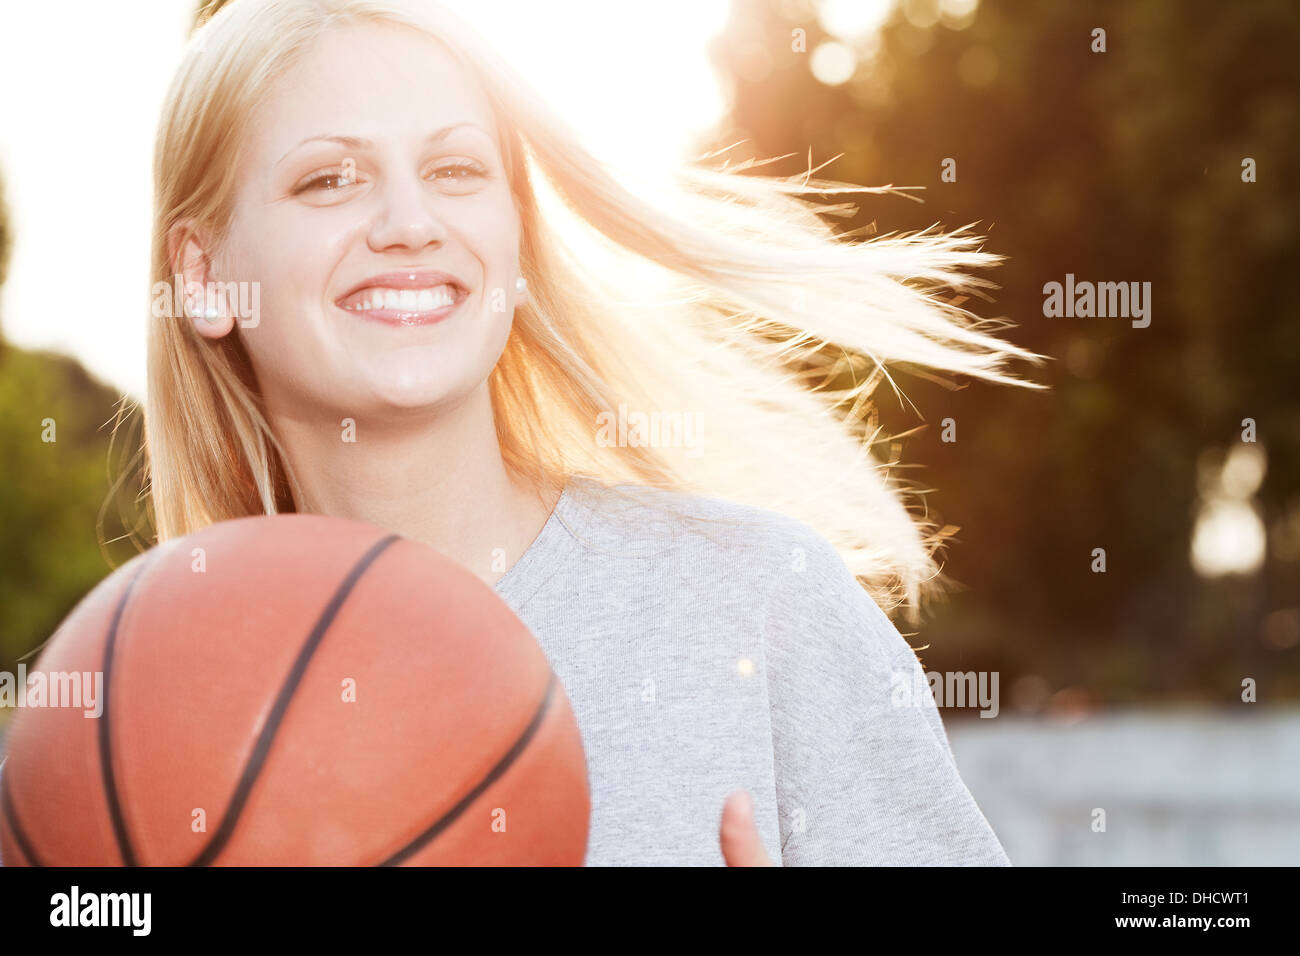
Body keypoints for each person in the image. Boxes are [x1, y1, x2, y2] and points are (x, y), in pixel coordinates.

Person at [3, 0, 1044, 866]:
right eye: (329, 177)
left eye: (456, 170)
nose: (409, 221)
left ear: (513, 233)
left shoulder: (756, 604)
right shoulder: (128, 704)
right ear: (201, 277)